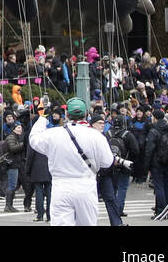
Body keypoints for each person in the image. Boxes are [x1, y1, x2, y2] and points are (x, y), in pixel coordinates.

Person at [27, 97, 119, 226]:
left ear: (66, 114)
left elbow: (34, 140)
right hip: (86, 185)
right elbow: (107, 162)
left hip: (61, 186)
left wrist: (42, 118)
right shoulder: (96, 136)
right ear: (86, 114)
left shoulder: (54, 134)